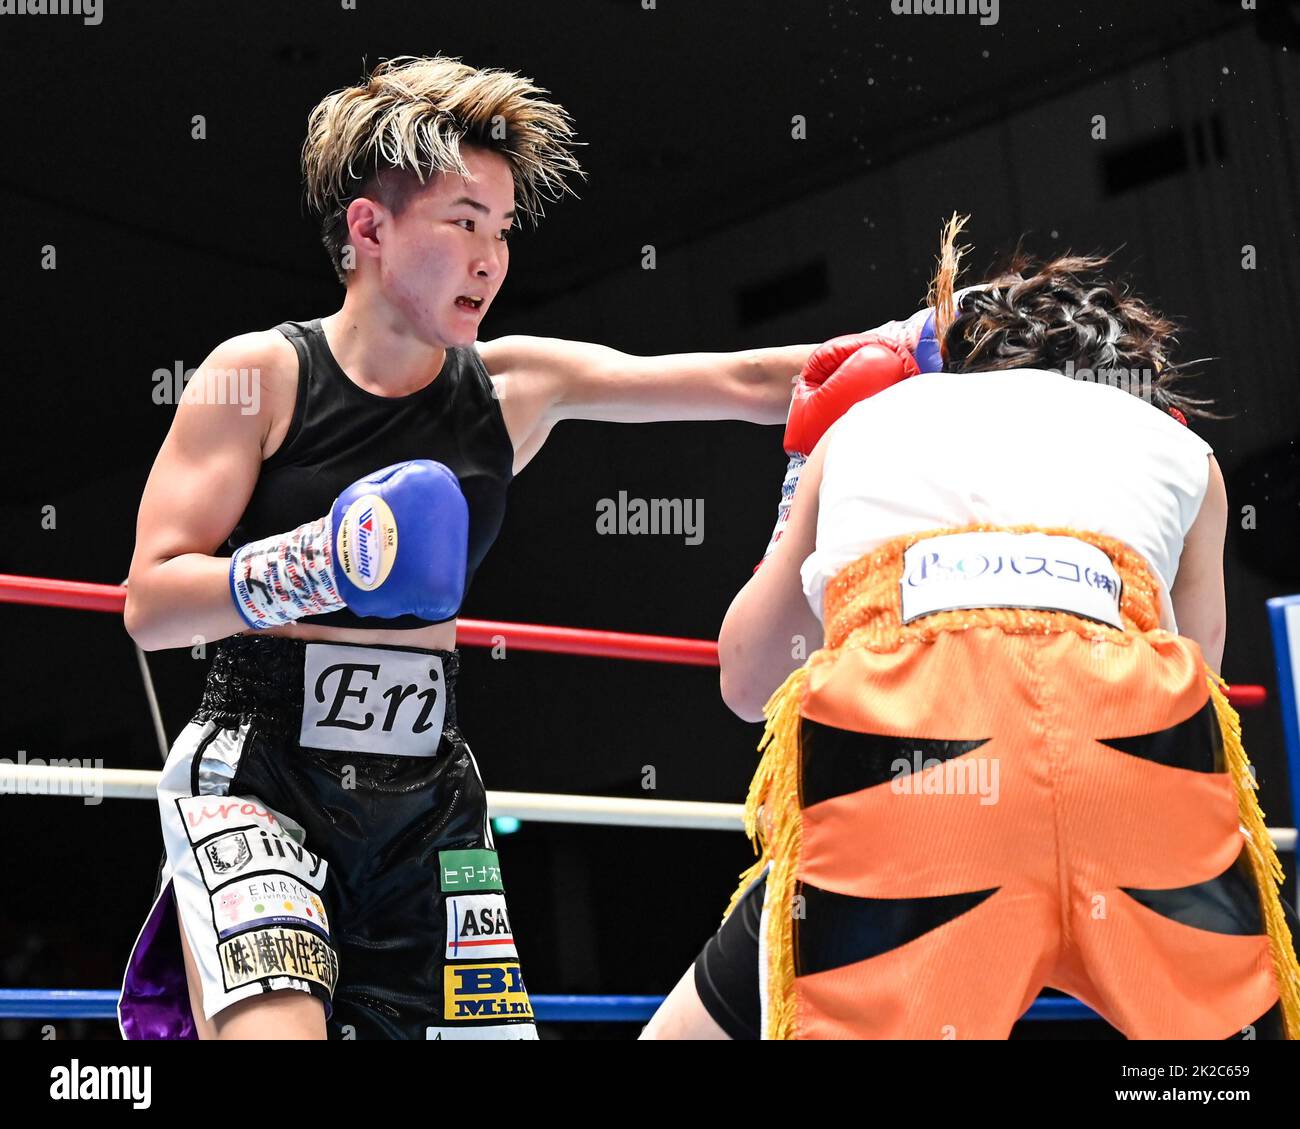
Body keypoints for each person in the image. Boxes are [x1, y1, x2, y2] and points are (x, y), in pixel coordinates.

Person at [117, 55, 817, 1041]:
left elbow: (748, 381)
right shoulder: (262, 374)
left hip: (427, 793)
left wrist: (929, 348)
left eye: (501, 229)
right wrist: (322, 560)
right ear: (369, 229)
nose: (491, 258)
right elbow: (150, 603)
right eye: (462, 222)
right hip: (262, 772)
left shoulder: (512, 387)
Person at [643, 217, 1300, 1040]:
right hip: (1136, 777)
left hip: (913, 780)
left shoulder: (864, 425)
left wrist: (800, 477)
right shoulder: (1183, 456)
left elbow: (747, 682)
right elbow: (1196, 677)